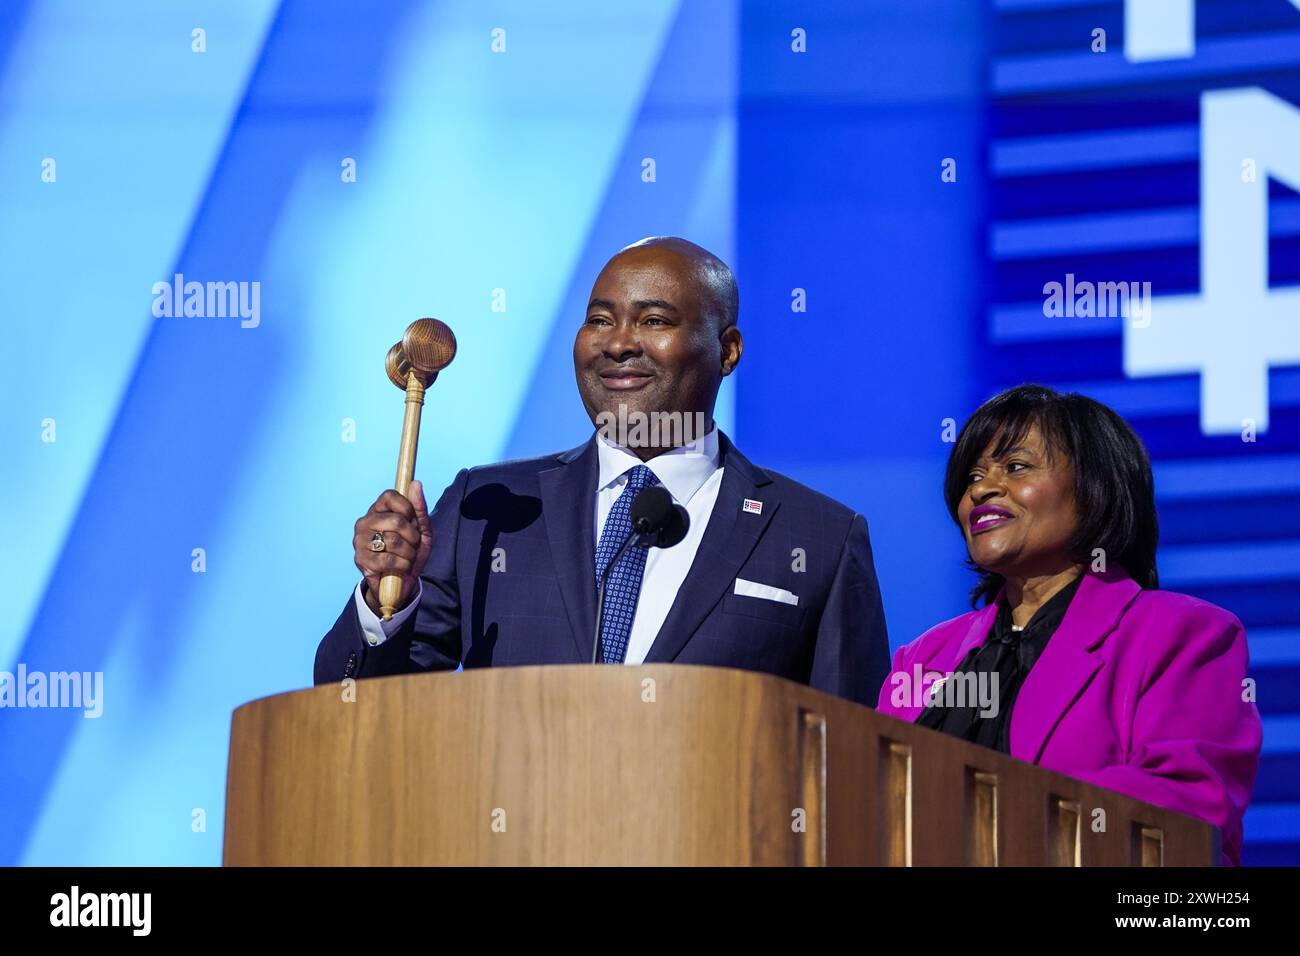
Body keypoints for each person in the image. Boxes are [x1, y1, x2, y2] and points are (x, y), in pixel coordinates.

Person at [315, 237, 889, 706]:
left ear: (728, 349)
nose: (618, 344)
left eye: (655, 320)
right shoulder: (489, 507)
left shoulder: (818, 537)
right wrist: (387, 599)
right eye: (599, 320)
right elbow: (364, 711)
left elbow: (846, 759)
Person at [876, 384, 1261, 865]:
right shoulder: (924, 658)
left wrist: (984, 824)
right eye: (972, 476)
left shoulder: (1183, 634)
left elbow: (1182, 804)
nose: (981, 489)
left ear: (1096, 485)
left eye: (1016, 468)